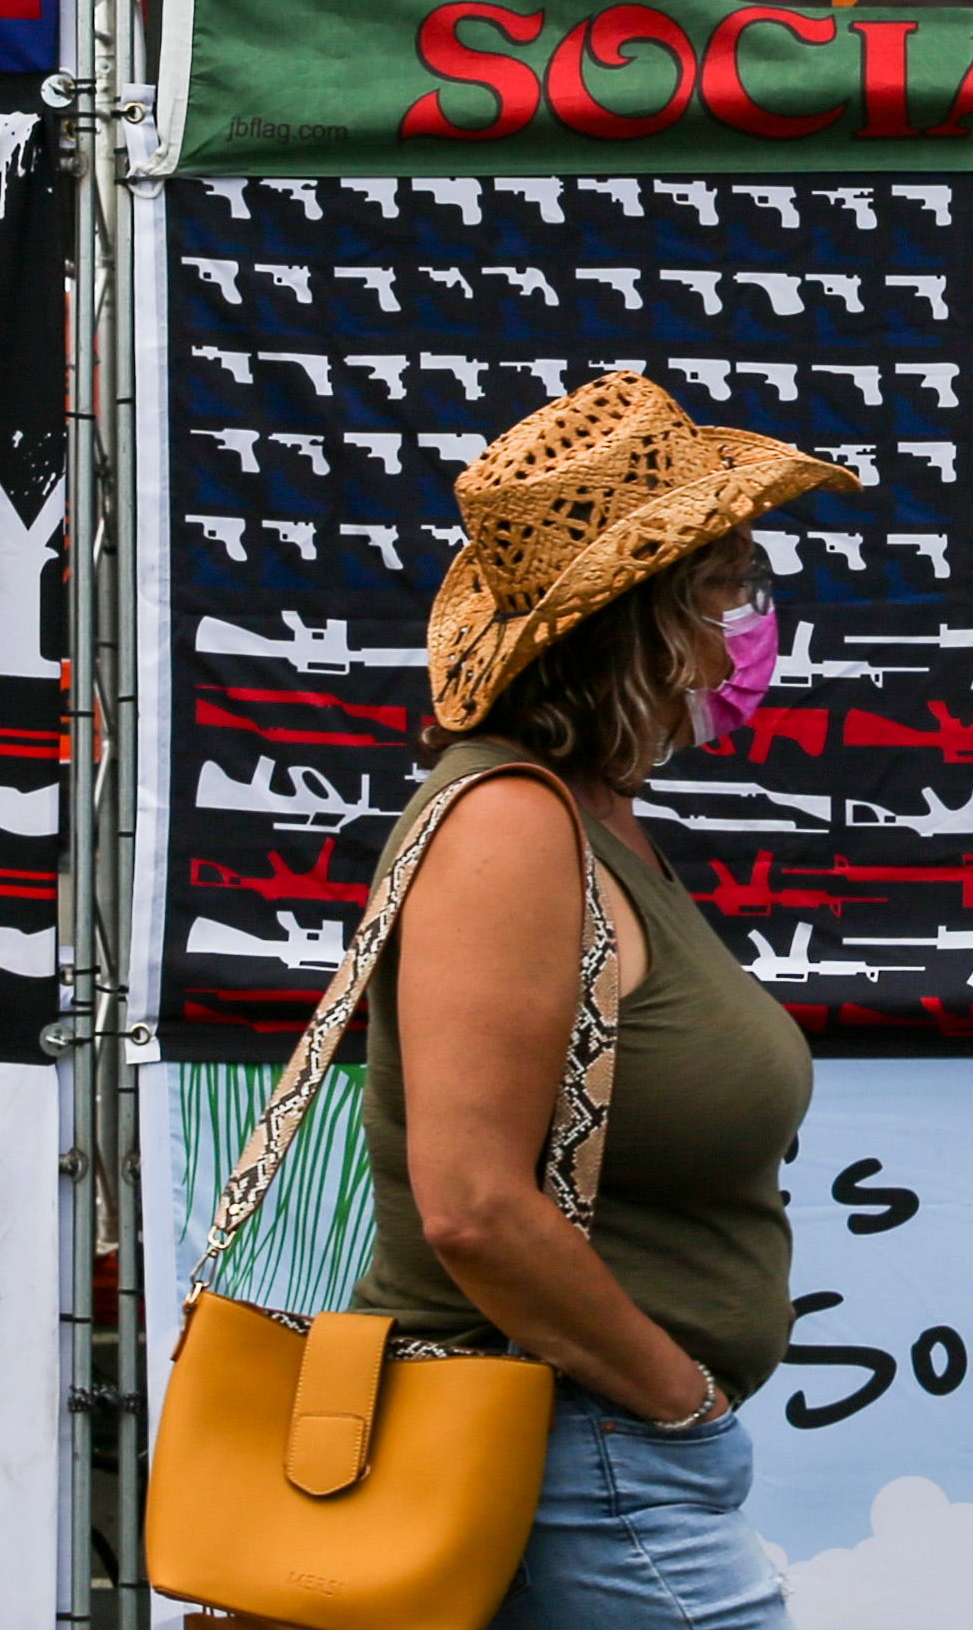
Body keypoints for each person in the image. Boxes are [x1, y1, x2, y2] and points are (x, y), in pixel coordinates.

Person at [357, 370, 859, 1630]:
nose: (753, 620)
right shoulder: (510, 822)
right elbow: (472, 1203)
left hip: (596, 1457)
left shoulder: (590, 816)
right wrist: (675, 1400)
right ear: (646, 615)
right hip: (568, 1454)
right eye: (734, 582)